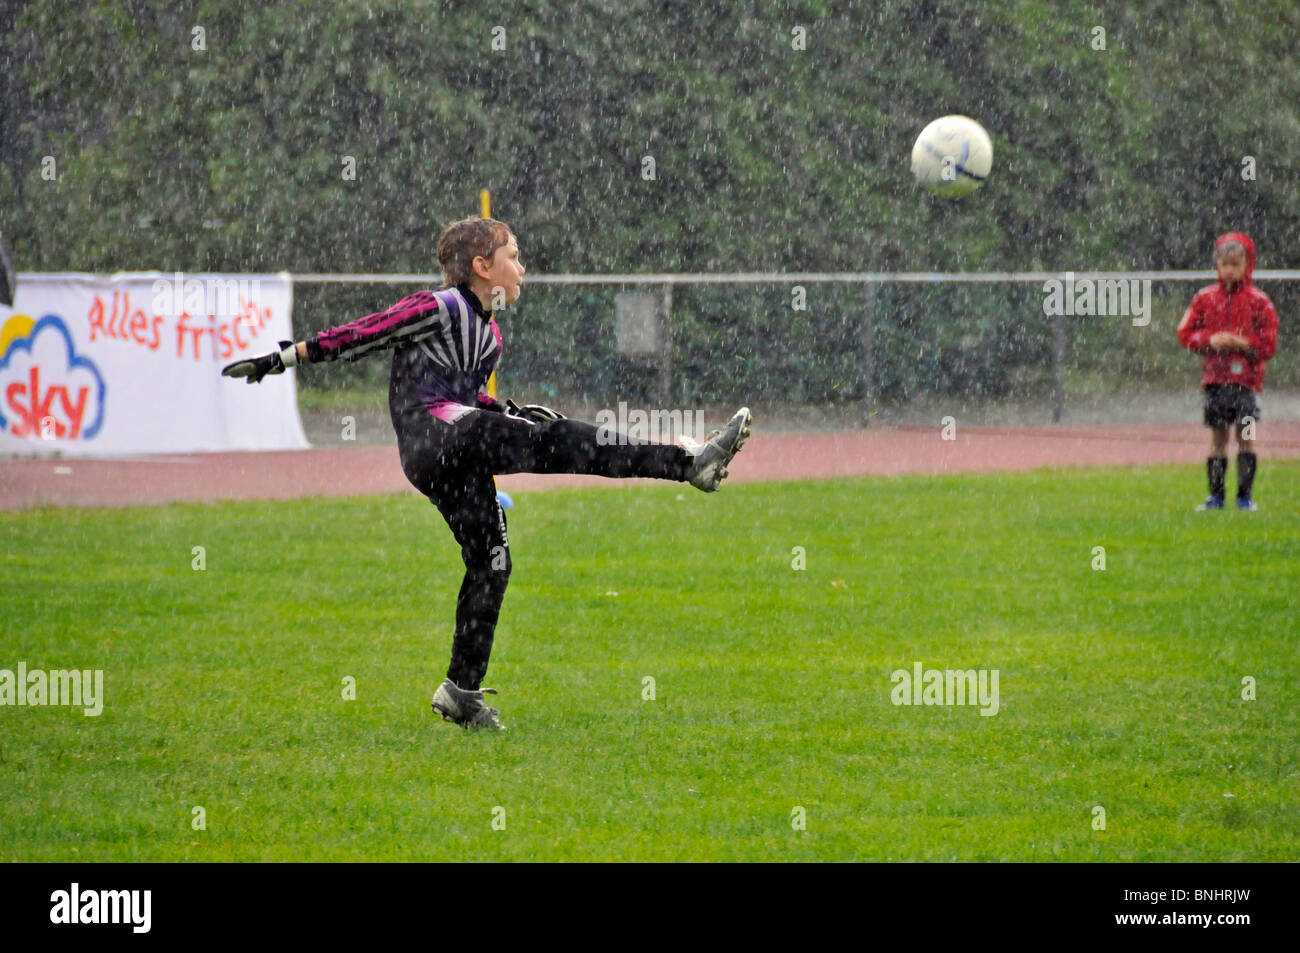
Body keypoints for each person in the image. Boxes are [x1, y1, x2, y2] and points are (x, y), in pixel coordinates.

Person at [222, 217, 752, 730]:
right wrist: (282, 358)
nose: (522, 268)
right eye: (513, 257)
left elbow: (467, 396)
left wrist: (507, 411)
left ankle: (461, 692)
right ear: (481, 266)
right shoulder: (440, 306)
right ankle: (689, 463)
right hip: (437, 439)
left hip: (448, 454)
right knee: (562, 441)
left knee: (492, 561)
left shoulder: (490, 335)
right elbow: (366, 333)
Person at [1175, 232, 1278, 511]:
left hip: (1247, 385)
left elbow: (1269, 344)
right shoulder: (1205, 298)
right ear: (1217, 265)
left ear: (1247, 265)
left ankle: (1245, 497)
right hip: (1216, 382)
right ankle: (1216, 497)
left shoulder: (1259, 301)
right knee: (1218, 439)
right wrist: (1209, 340)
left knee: (1246, 437)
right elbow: (1185, 332)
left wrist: (1244, 344)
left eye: (1236, 264)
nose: (1230, 270)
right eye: (1225, 264)